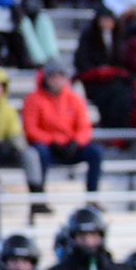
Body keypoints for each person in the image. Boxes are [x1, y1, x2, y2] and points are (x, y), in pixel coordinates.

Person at [22, 58, 104, 196]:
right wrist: (51, 141)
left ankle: (92, 197)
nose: (56, 80)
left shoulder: (75, 99)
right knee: (39, 153)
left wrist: (75, 143)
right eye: (53, 76)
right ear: (46, 78)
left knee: (95, 152)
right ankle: (39, 198)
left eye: (60, 76)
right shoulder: (33, 99)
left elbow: (84, 127)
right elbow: (31, 129)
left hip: (71, 147)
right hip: (48, 147)